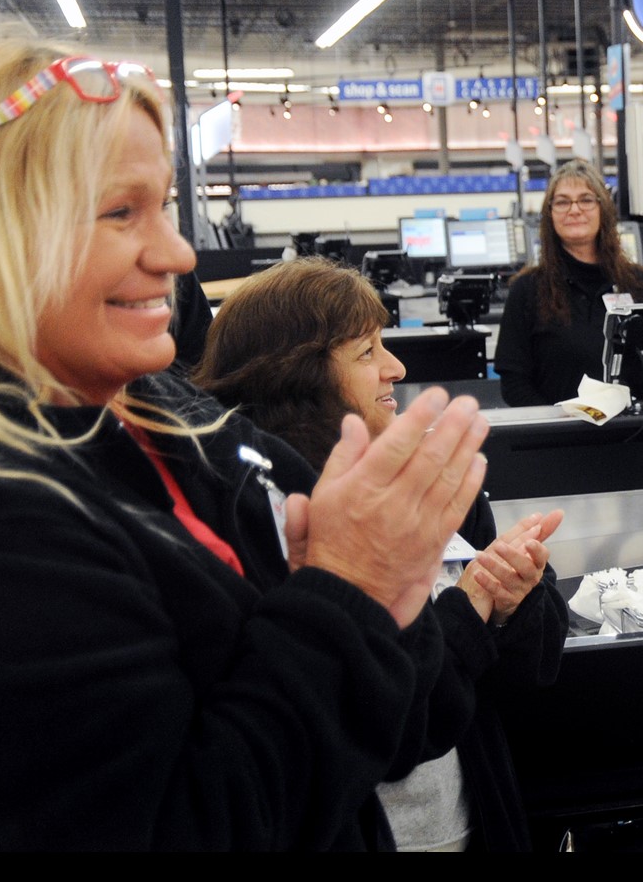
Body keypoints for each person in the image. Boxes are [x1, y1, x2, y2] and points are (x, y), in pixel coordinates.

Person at [0, 40, 494, 850]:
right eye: (119, 212)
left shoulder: (150, 418)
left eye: (165, 207)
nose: (176, 254)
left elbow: (363, 719)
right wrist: (352, 591)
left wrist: (362, 591)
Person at [195, 256, 566, 851]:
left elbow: (531, 673)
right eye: (366, 353)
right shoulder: (255, 516)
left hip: (471, 823)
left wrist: (514, 596)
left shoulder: (421, 474)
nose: (395, 367)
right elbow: (382, 721)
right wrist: (469, 611)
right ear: (297, 374)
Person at [494, 161, 643, 406]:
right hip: (556, 437)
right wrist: (560, 422)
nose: (574, 210)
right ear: (549, 214)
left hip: (629, 433)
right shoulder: (527, 289)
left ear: (603, 209)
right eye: (562, 202)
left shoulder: (639, 284)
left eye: (585, 200)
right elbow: (513, 384)